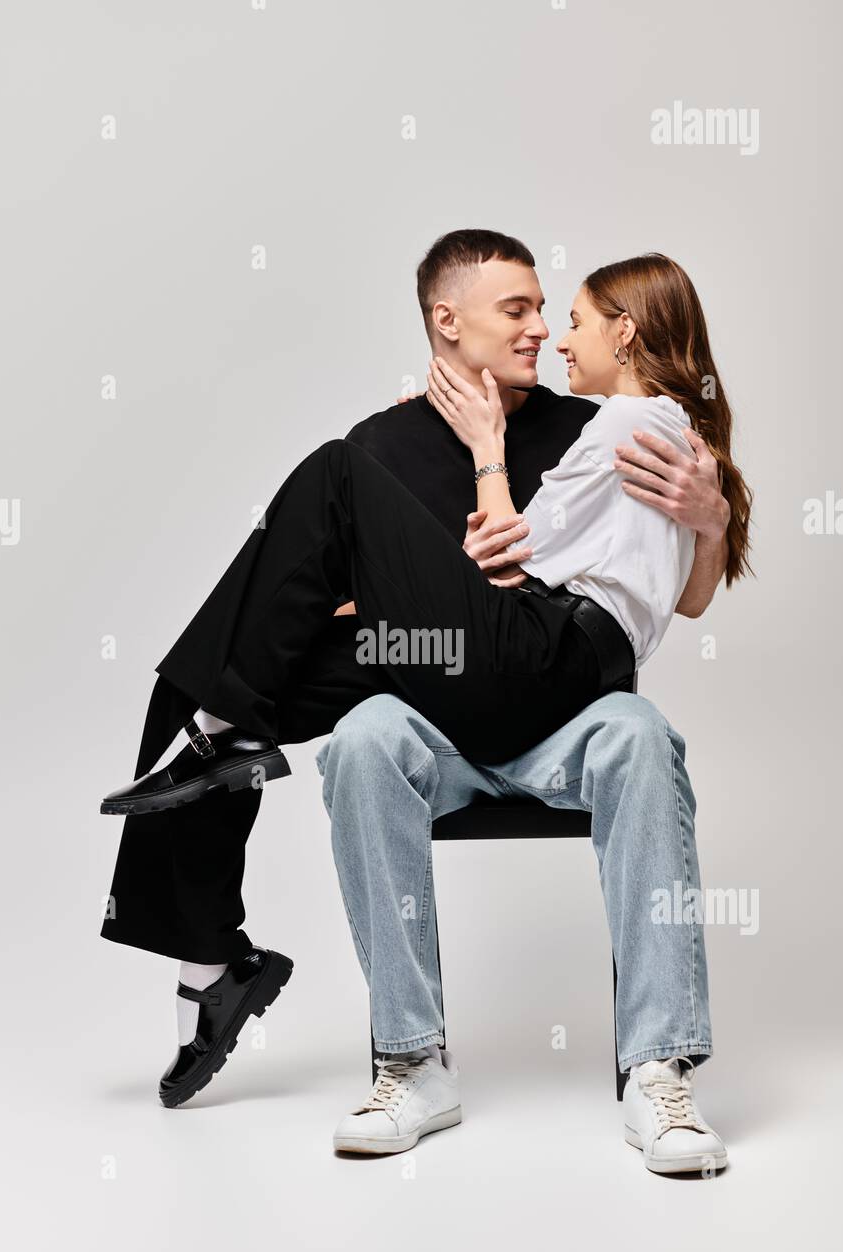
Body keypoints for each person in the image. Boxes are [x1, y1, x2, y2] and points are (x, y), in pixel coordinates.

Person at [98, 233, 751, 1174]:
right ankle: (250, 978)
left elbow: (676, 594)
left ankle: (660, 1070)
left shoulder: (599, 420)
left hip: (565, 702)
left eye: (550, 312)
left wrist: (712, 518)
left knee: (637, 733)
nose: (543, 330)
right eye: (518, 310)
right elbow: (317, 612)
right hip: (433, 694)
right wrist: (415, 596)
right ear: (447, 321)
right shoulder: (387, 446)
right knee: (242, 688)